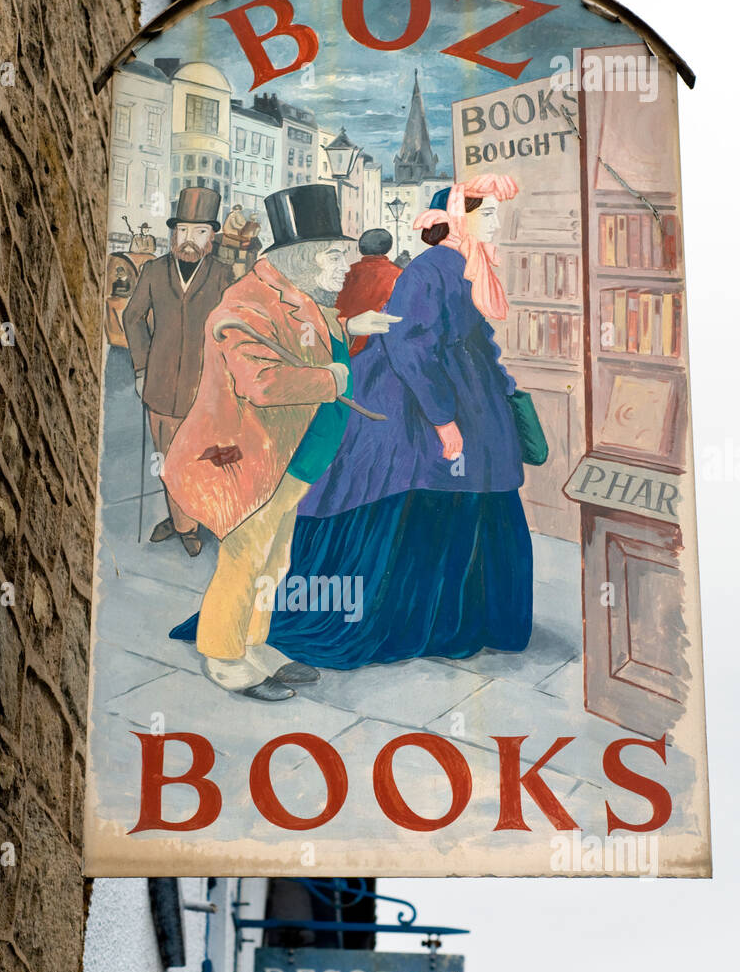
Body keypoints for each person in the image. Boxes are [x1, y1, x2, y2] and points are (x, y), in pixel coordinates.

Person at [262, 173, 538, 667]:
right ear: (458, 219)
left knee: (476, 500)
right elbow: (410, 344)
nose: (497, 223)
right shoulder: (431, 269)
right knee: (433, 502)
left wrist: (500, 383)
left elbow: (476, 336)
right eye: (487, 214)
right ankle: (439, 625)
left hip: (468, 393)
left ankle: (472, 621)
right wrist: (443, 419)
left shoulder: (466, 264)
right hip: (426, 405)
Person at [166, 184, 398, 700]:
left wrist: (350, 323)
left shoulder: (298, 293)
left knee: (275, 558)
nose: (348, 267)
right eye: (338, 256)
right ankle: (224, 656)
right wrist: (335, 379)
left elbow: (309, 329)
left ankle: (253, 644)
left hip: (289, 462)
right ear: (306, 258)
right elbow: (263, 382)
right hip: (244, 459)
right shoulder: (242, 307)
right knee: (246, 555)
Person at [122, 186, 231, 555]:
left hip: (205, 390)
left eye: (199, 232)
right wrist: (141, 367)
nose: (188, 240)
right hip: (161, 388)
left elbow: (235, 326)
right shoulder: (153, 271)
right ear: (173, 233)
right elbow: (132, 317)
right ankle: (182, 523)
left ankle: (194, 519)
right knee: (168, 460)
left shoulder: (223, 276)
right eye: (182, 230)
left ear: (212, 238)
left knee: (202, 461)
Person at [336, 227, 402, 355]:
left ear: (361, 248)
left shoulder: (346, 273)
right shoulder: (399, 275)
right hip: (382, 347)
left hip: (347, 343)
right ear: (388, 247)